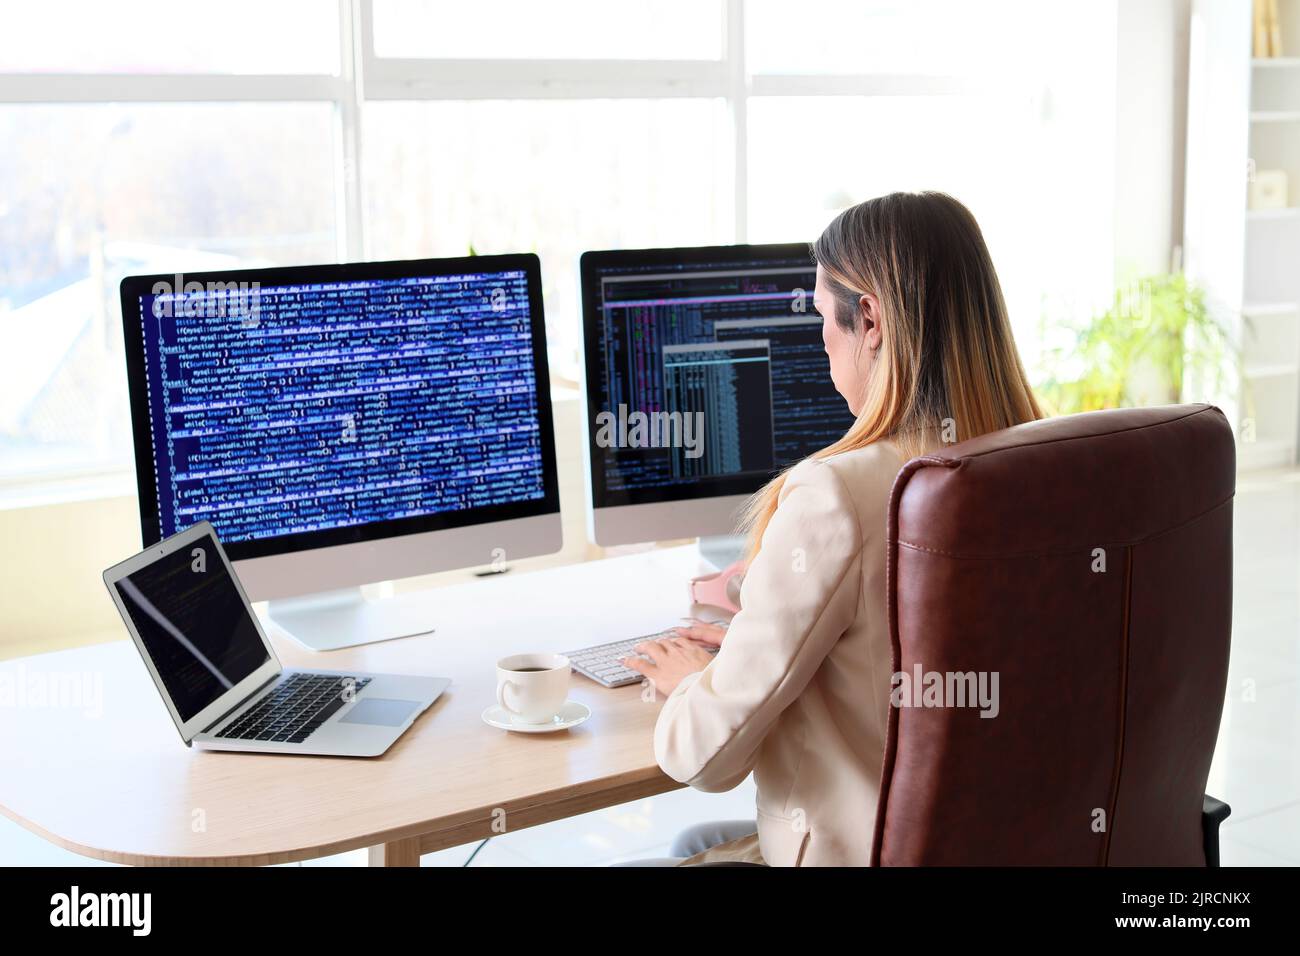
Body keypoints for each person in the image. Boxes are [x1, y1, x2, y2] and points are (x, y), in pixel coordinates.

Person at [619, 191, 1043, 866]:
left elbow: (706, 759)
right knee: (701, 846)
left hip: (867, 851)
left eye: (822, 316)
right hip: (997, 843)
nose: (819, 341)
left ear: (869, 319)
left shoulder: (838, 495)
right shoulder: (1043, 462)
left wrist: (697, 679)